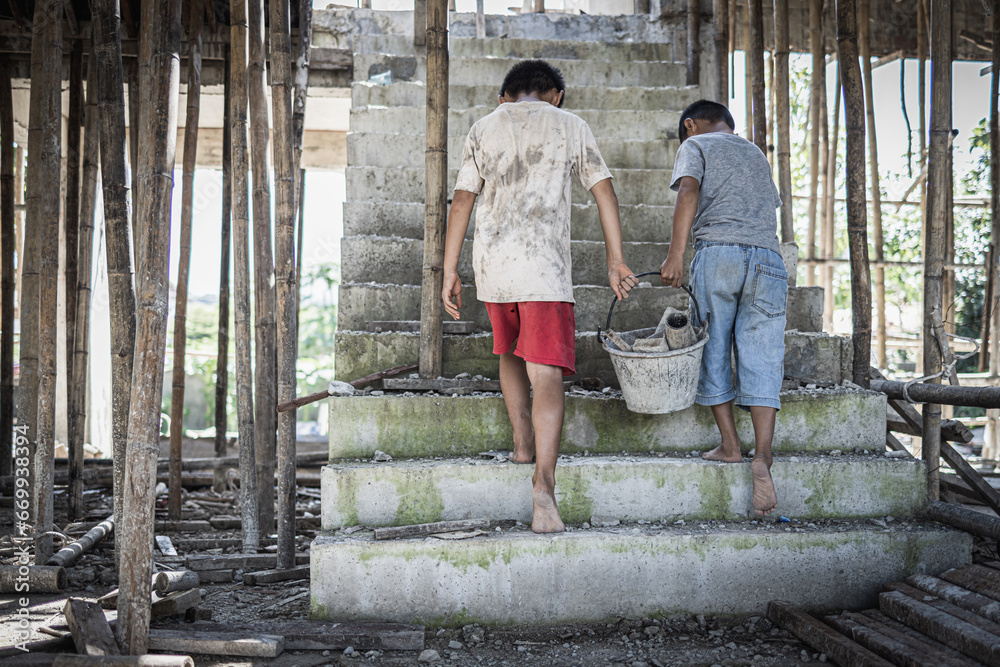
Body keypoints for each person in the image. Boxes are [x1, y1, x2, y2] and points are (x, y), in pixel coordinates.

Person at [441, 59, 638, 534]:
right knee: (545, 372)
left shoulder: (483, 127)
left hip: (494, 268)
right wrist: (616, 260)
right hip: (544, 270)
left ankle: (522, 443)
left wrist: (449, 269)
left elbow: (463, 199)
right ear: (554, 95)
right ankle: (544, 487)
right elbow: (603, 190)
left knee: (509, 350)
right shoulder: (569, 124)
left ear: (506, 95)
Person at [659, 99, 787, 517]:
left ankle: (731, 446)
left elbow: (690, 190)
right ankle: (762, 458)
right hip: (769, 260)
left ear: (690, 125)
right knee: (763, 356)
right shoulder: (755, 153)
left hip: (719, 254)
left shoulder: (696, 145)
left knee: (713, 348)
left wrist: (676, 254)